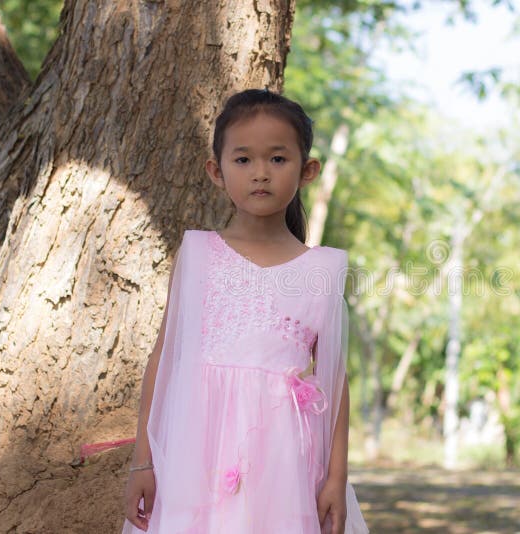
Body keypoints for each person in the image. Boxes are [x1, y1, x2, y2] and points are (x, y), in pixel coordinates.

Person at [121, 89, 368, 534]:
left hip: (285, 465)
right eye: (243, 160)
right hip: (195, 459)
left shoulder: (324, 268)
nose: (260, 174)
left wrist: (335, 478)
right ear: (216, 171)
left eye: (277, 159)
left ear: (307, 170)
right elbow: (165, 359)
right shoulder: (197, 253)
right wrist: (144, 462)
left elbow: (335, 383)